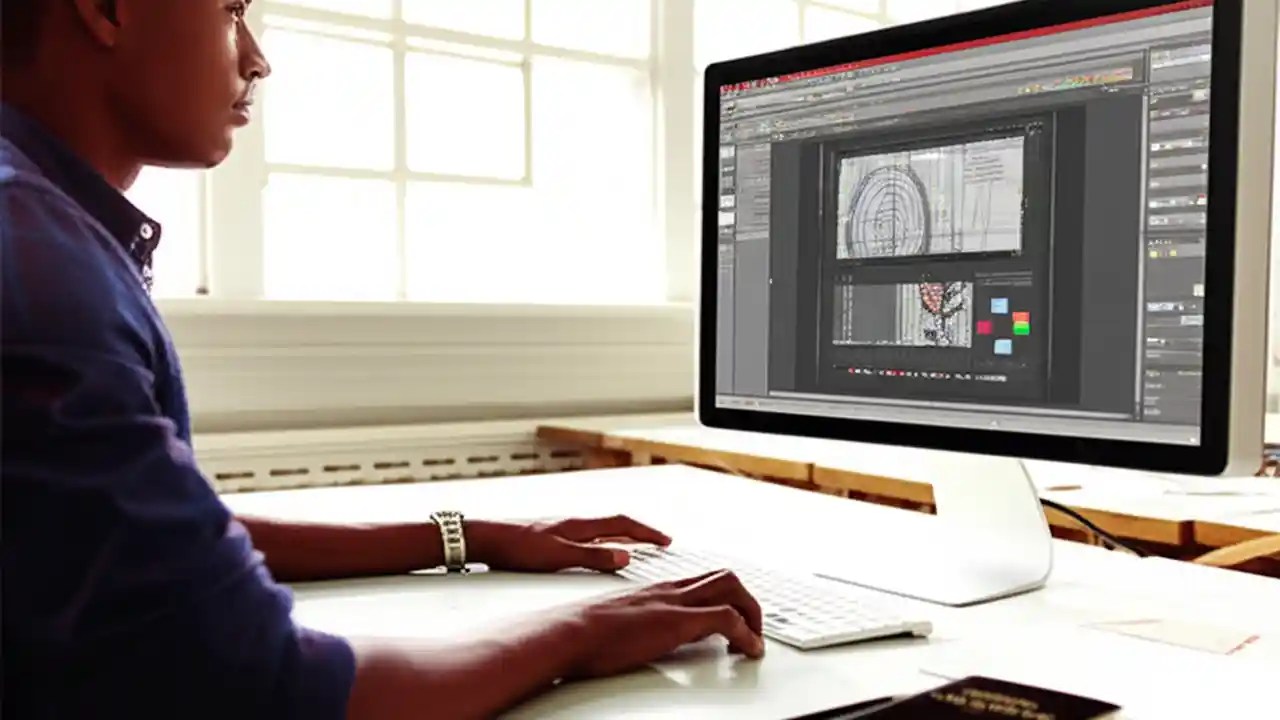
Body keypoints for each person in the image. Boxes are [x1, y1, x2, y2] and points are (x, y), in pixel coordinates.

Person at [0, 1, 766, 718]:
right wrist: (585, 632)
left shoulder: (41, 228)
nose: (257, 59)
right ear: (104, 8)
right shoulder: (40, 269)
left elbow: (148, 542)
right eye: (232, 9)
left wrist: (473, 534)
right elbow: (279, 688)